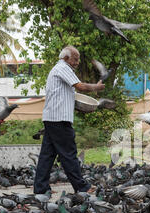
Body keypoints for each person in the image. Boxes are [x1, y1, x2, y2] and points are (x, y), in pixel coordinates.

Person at [33, 45, 105, 195]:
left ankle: (41, 188)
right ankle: (82, 187)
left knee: (48, 155)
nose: (77, 63)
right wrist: (96, 87)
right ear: (66, 58)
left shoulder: (58, 69)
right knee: (69, 153)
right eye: (75, 59)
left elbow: (66, 95)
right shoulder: (63, 68)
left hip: (52, 118)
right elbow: (81, 86)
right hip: (59, 119)